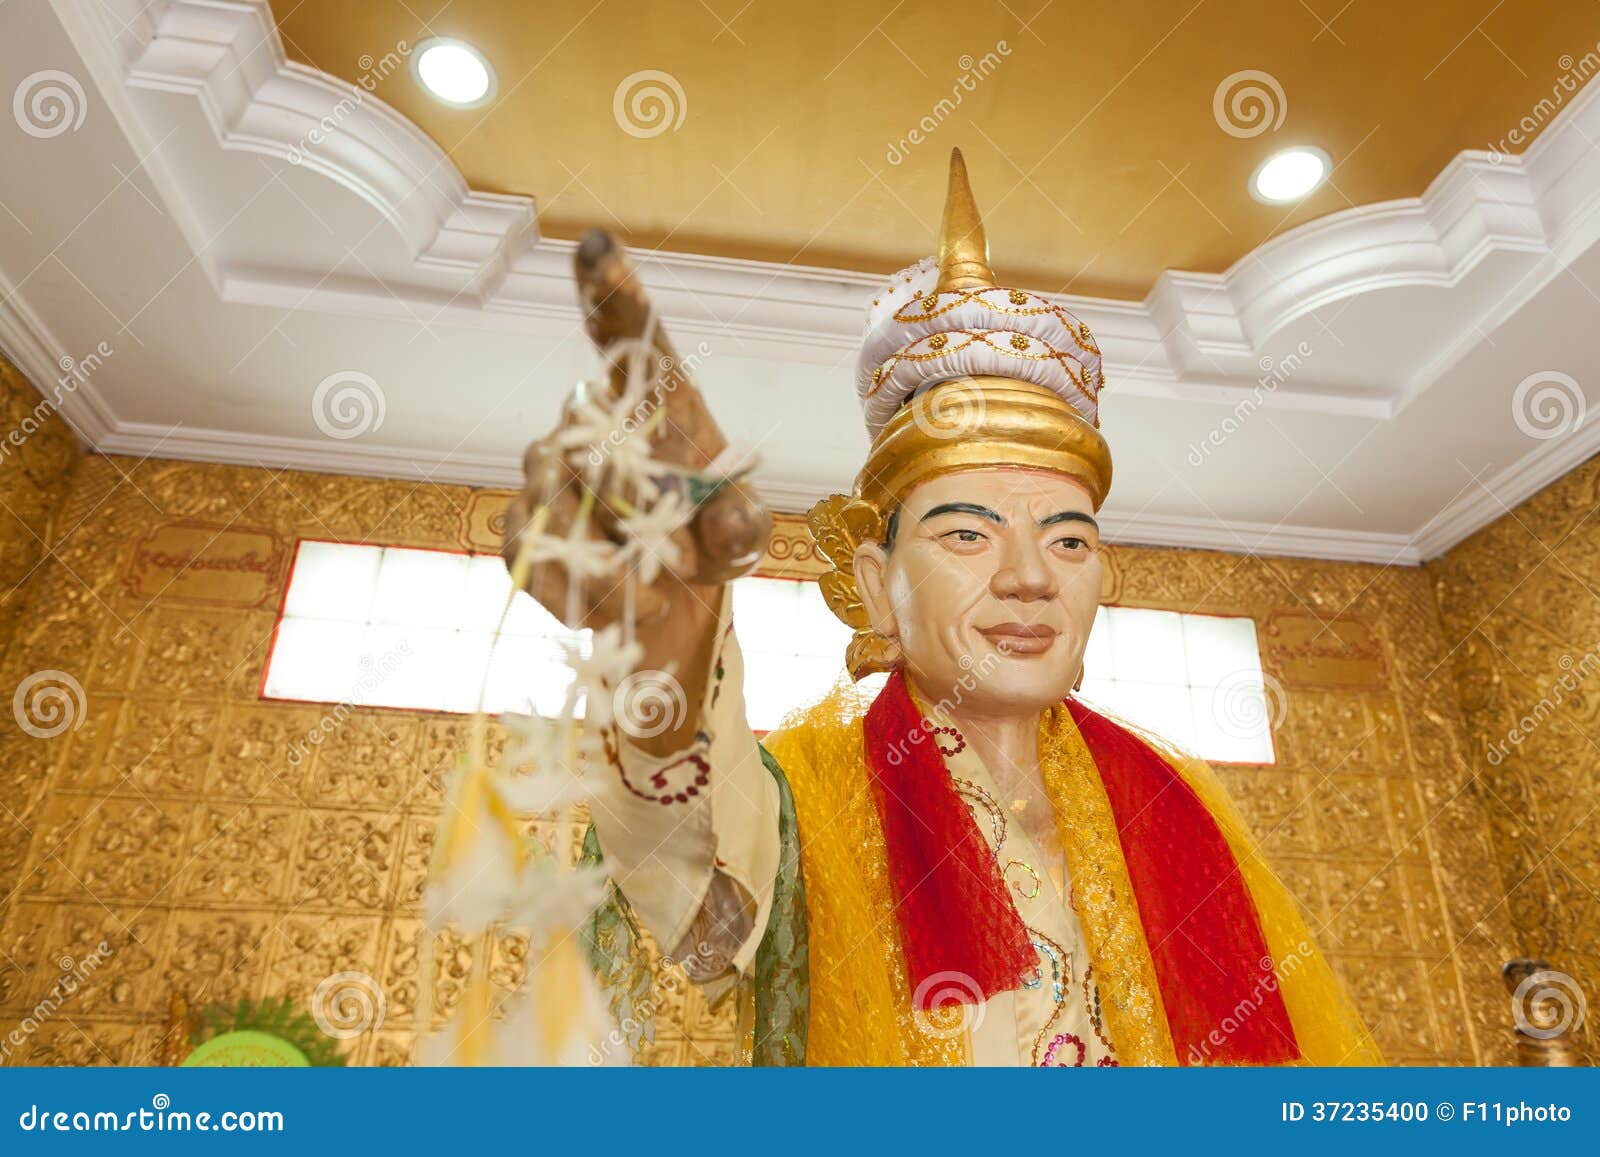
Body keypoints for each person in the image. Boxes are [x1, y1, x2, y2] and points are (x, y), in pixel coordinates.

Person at [506, 150, 1380, 1067]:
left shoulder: (1176, 803)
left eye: (1068, 540)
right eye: (968, 534)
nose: (1029, 576)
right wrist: (667, 637)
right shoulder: (811, 801)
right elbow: (699, 900)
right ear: (877, 585)